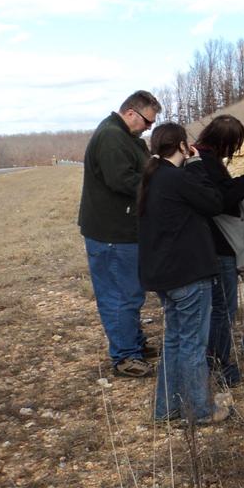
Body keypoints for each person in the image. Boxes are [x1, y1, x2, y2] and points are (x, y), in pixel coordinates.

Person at [138, 123, 230, 424]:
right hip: (188, 275)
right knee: (193, 344)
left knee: (175, 341)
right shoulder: (177, 178)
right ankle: (201, 412)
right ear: (181, 146)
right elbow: (215, 202)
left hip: (165, 275)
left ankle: (166, 410)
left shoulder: (153, 178)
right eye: (186, 143)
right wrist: (195, 164)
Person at [78, 90, 162, 378]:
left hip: (125, 230)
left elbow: (144, 167)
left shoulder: (128, 138)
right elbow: (123, 180)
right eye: (147, 122)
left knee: (131, 292)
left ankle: (133, 344)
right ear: (130, 113)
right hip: (110, 233)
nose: (148, 128)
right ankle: (125, 356)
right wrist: (163, 186)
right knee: (119, 295)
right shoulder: (112, 137)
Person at [195, 115, 244, 388]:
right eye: (233, 144)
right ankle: (218, 364)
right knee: (223, 308)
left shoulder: (204, 158)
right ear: (223, 142)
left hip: (226, 244)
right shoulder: (203, 162)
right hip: (220, 246)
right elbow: (222, 200)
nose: (234, 150)